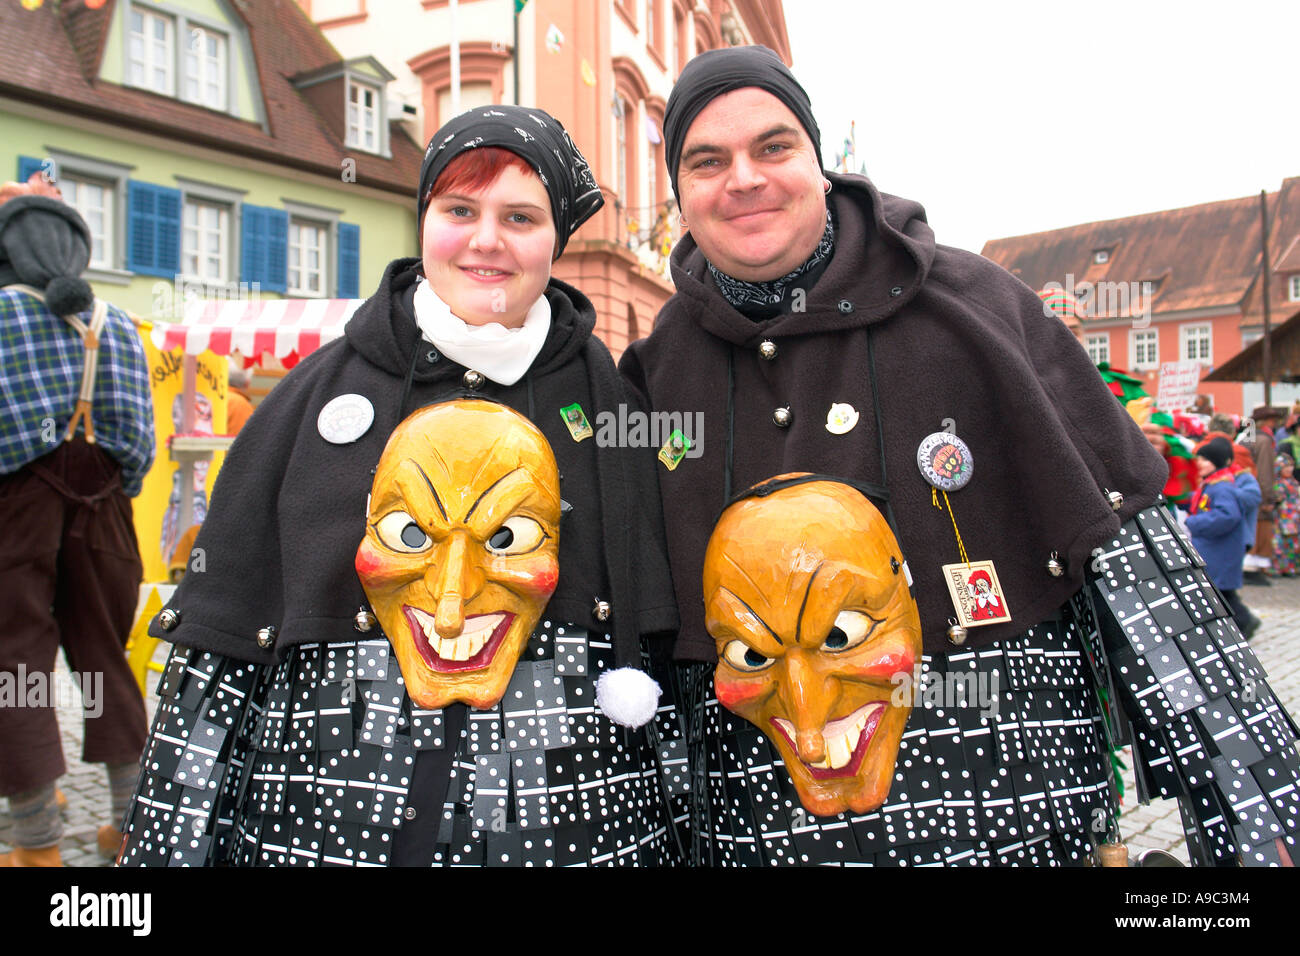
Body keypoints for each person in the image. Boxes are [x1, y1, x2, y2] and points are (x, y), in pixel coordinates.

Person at [621, 45, 1300, 866]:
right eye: (707, 160)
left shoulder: (969, 304)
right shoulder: (660, 370)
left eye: (773, 147)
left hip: (1009, 808)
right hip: (764, 827)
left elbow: (1131, 557)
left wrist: (1253, 821)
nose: (744, 178)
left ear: (819, 161)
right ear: (679, 191)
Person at [119, 105, 681, 867]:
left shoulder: (612, 408)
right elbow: (217, 650)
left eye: (520, 215)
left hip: (565, 829)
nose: (486, 239)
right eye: (459, 210)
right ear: (424, 221)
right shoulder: (312, 397)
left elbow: (662, 655)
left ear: (558, 238)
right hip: (325, 826)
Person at [0, 174, 155, 866]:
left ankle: (35, 843)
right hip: (108, 507)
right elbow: (141, 435)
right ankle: (127, 828)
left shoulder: (2, 312)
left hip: (15, 504)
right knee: (105, 659)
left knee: (17, 664)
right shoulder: (116, 320)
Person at [1186, 438, 1254, 637]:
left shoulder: (1221, 487)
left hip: (1220, 551)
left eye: (1205, 460)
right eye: (1199, 459)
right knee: (1220, 591)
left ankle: (1242, 623)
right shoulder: (1213, 484)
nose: (1200, 463)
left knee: (1220, 591)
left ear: (1216, 462)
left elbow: (1227, 516)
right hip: (1216, 549)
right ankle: (1238, 623)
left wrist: (1194, 522)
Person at [1272, 453, 1300, 576]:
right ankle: (1278, 568)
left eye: (1291, 466)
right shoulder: (1277, 483)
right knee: (1279, 543)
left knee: (1293, 543)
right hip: (1281, 517)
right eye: (1286, 466)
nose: (1289, 469)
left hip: (1294, 517)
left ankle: (1291, 568)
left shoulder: (1294, 482)